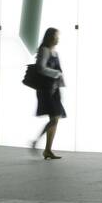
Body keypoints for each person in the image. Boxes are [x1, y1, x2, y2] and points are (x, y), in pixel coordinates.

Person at [29, 27, 67, 160]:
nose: (58, 38)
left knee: (55, 119)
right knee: (55, 118)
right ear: (51, 37)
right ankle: (37, 142)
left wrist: (60, 86)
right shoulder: (44, 50)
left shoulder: (54, 52)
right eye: (57, 36)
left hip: (54, 89)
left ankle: (47, 150)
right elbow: (41, 68)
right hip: (46, 90)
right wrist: (56, 74)